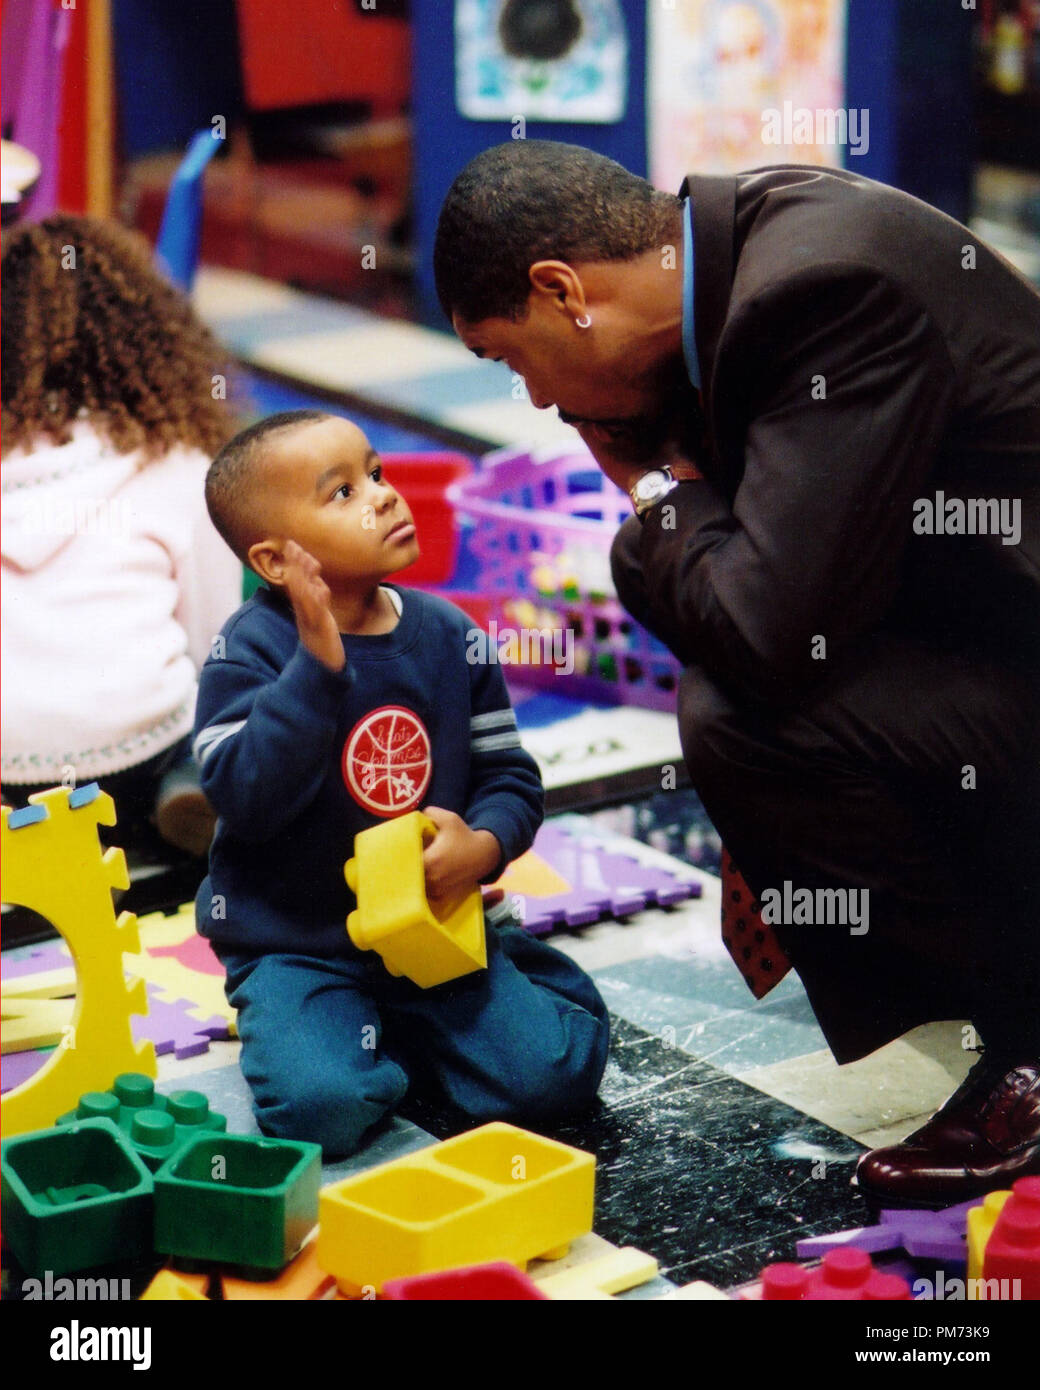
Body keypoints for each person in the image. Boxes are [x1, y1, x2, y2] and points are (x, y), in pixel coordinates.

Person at [434, 140, 1040, 1207]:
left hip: (1005, 641)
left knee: (747, 717)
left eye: (506, 357)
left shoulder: (816, 291)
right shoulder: (733, 253)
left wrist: (655, 491)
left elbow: (766, 628)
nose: (531, 400)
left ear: (561, 291)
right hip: (980, 621)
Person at [194, 409, 610, 1156]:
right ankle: (355, 1032)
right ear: (275, 561)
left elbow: (510, 776)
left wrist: (482, 847)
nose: (383, 496)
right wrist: (316, 672)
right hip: (299, 942)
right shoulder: (246, 650)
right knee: (323, 1113)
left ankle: (476, 992)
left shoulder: (452, 635)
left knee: (555, 1079)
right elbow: (244, 799)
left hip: (434, 930)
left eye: (376, 474)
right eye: (343, 493)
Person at [1, 214, 242, 857]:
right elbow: (215, 641)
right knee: (247, 700)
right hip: (135, 764)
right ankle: (188, 788)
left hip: (11, 777)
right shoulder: (177, 461)